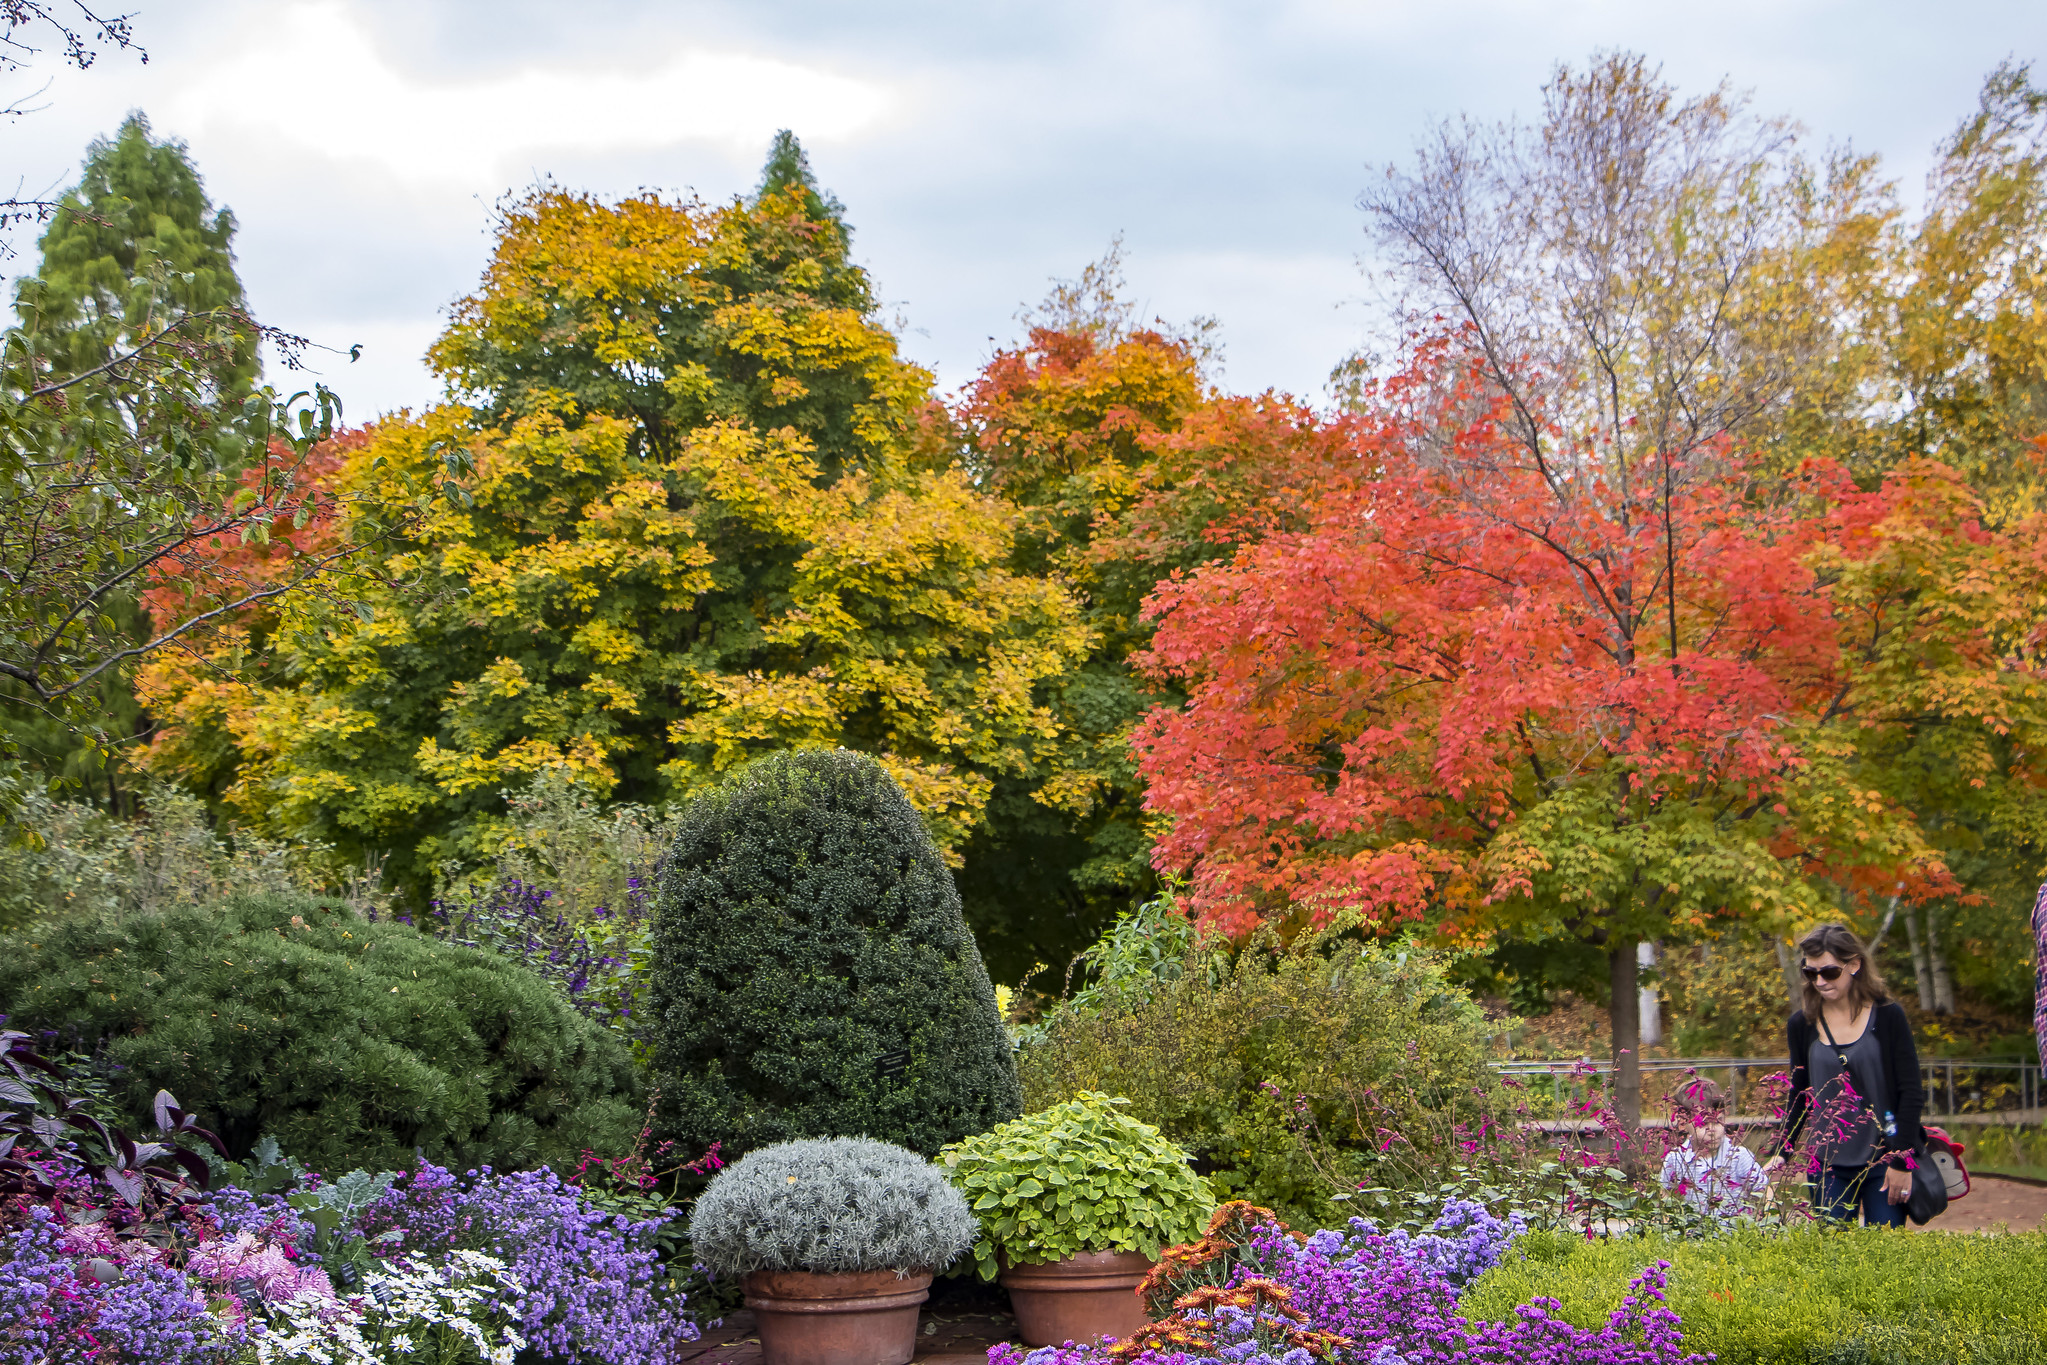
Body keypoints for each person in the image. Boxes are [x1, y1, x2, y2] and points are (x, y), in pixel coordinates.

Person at [1760, 923, 1925, 1226]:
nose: (1819, 981)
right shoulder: (1802, 1024)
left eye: (1829, 972)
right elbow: (1800, 1093)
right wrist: (1782, 1149)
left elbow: (1911, 1092)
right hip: (1827, 1165)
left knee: (1884, 1256)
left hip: (1884, 1158)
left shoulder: (1888, 1016)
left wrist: (1901, 1160)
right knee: (1833, 1256)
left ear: (1854, 965)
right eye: (1811, 973)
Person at [1659, 1079, 1766, 1220]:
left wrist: (1760, 1219)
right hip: (1693, 1234)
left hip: (1736, 1234)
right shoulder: (1676, 1157)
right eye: (1703, 1124)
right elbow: (1664, 1193)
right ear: (1683, 1123)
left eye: (1718, 1122)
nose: (1712, 1130)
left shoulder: (1739, 1156)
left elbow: (1763, 1190)